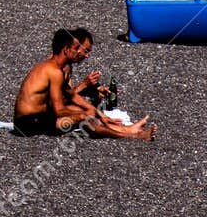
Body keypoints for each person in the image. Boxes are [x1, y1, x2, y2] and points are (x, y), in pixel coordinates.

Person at [13, 28, 155, 141]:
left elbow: (71, 95)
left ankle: (129, 129)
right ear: (66, 49)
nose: (83, 54)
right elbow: (59, 110)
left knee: (84, 111)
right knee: (85, 117)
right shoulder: (54, 71)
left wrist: (99, 113)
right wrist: (88, 113)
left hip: (38, 117)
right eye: (79, 49)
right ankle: (133, 134)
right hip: (28, 125)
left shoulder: (55, 67)